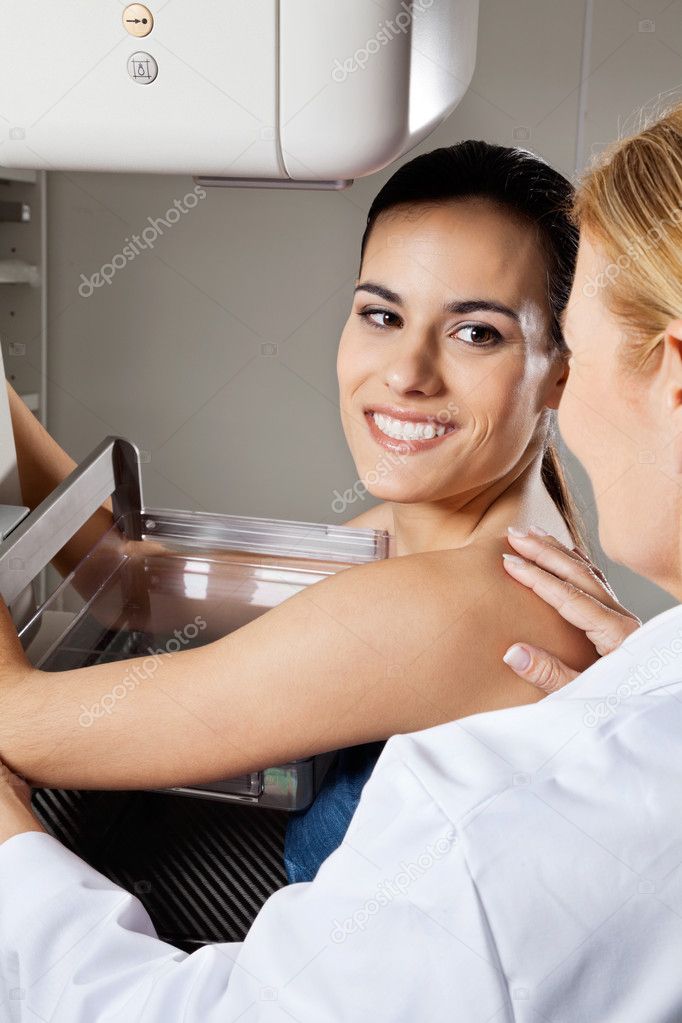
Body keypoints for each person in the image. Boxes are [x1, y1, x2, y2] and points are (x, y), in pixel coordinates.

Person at [5, 101, 682, 1018]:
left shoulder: (462, 601)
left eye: (476, 332)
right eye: (381, 314)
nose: (406, 373)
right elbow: (141, 582)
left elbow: (21, 722)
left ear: (562, 366)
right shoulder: (459, 523)